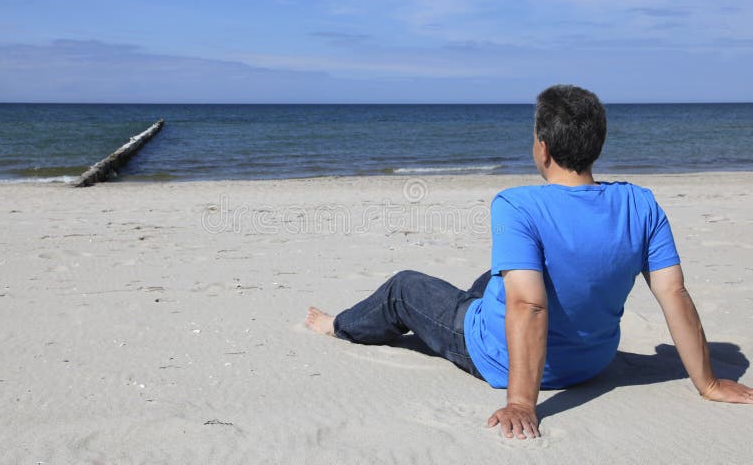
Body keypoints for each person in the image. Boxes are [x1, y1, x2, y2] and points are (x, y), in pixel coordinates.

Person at [305, 84, 753, 439]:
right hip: (592, 362)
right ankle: (477, 302)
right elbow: (674, 293)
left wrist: (521, 402)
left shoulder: (518, 204)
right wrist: (709, 383)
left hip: (499, 358)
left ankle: (338, 325)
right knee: (495, 276)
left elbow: (529, 305)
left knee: (404, 287)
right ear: (596, 145)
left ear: (542, 148)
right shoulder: (641, 204)